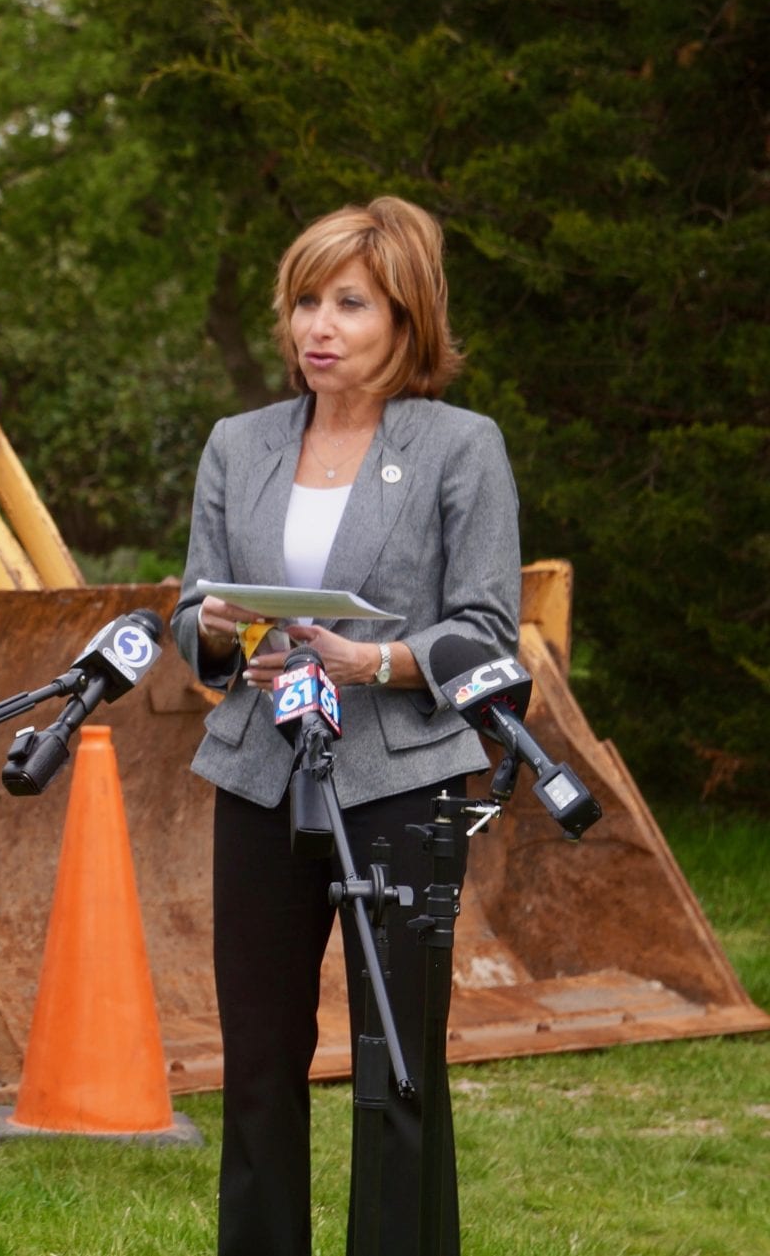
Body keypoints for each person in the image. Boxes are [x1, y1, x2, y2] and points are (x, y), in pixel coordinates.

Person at [170, 197, 520, 1255]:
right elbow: (190, 623)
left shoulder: (461, 446)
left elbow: (487, 630)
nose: (315, 325)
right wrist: (220, 628)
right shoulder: (237, 444)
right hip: (260, 771)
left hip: (401, 777)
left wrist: (375, 658)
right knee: (259, 1059)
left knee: (395, 1059)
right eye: (302, 302)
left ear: (404, 319)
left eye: (347, 303)